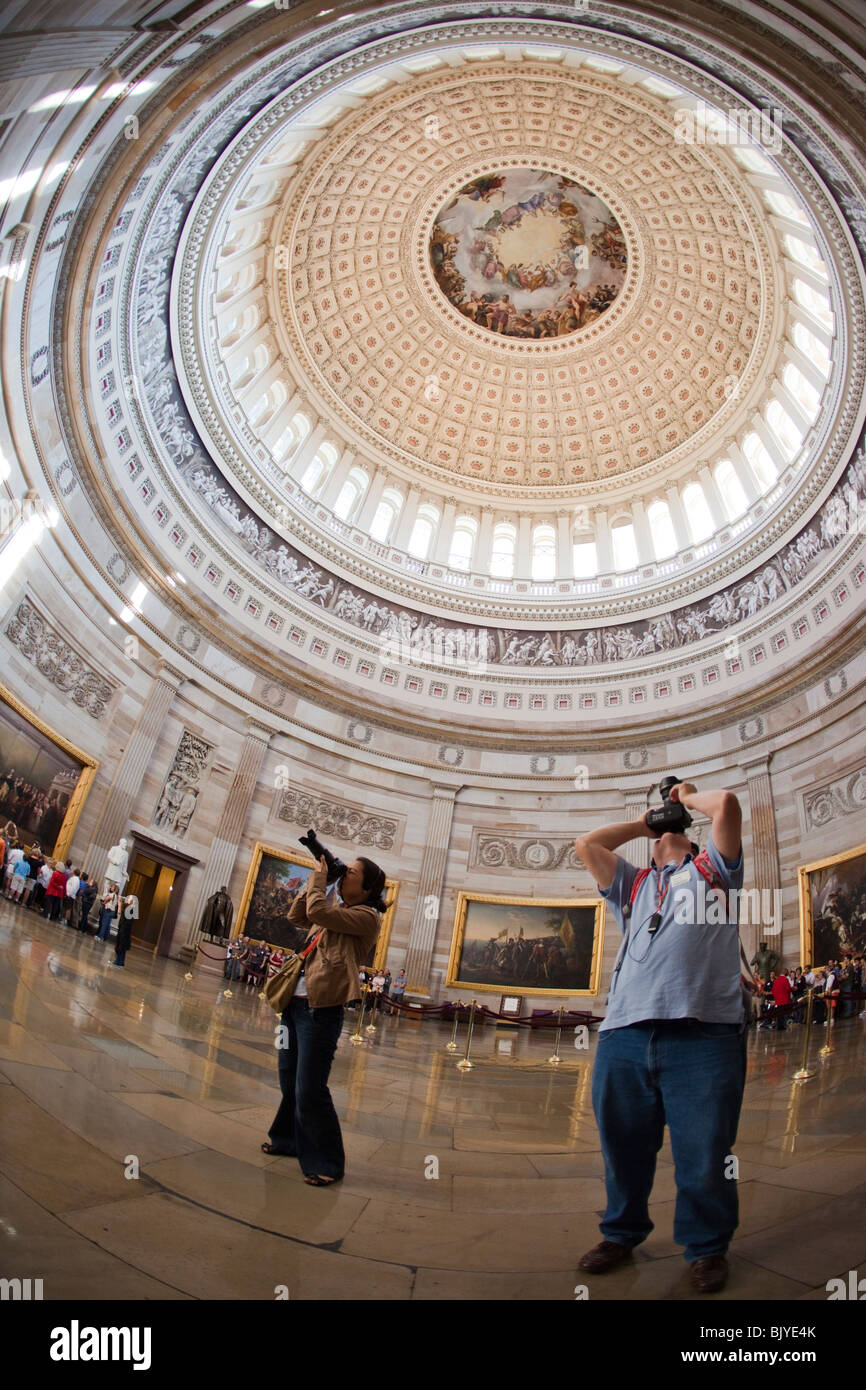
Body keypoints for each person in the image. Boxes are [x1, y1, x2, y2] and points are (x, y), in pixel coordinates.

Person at [574, 780, 745, 1295]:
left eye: (671, 826)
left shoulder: (715, 868)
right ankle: (621, 1232)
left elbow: (729, 805)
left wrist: (687, 798)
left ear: (692, 835)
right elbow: (588, 845)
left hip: (703, 1033)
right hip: (625, 1032)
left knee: (705, 1151)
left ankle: (708, 1246)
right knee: (622, 1148)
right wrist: (648, 824)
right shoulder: (634, 882)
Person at [262, 854, 385, 1185]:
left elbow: (317, 912)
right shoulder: (335, 909)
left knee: (310, 1088)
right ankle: (287, 1140)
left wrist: (321, 878)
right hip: (294, 1002)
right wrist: (323, 881)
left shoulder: (367, 917)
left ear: (368, 886)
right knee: (290, 1080)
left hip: (321, 1009)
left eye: (352, 873)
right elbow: (298, 914)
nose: (345, 875)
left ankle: (328, 1163)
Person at [111, 894, 138, 967]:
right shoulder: (130, 908)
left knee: (121, 946)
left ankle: (118, 961)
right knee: (121, 946)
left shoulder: (131, 909)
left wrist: (120, 904)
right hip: (124, 929)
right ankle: (120, 961)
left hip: (125, 930)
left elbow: (127, 919)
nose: (128, 899)